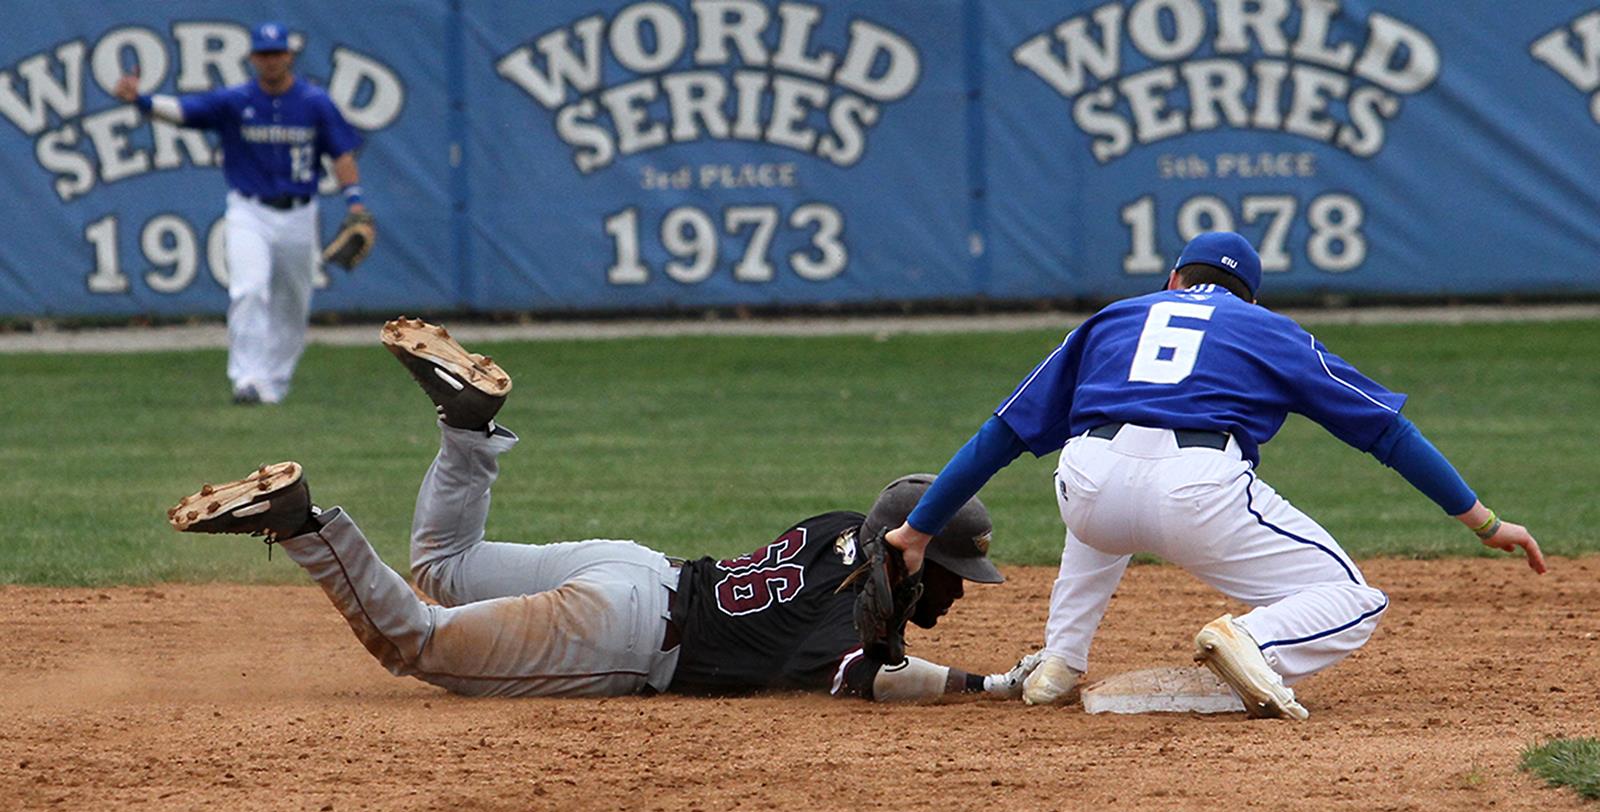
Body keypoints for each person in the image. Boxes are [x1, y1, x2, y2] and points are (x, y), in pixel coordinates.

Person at [167, 318, 1041, 702]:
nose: (957, 593)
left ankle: (466, 433)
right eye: (950, 574)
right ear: (903, 547)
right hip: (618, 633)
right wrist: (990, 684)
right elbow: (876, 676)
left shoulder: (826, 532)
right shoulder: (841, 612)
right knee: (416, 644)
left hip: (633, 567)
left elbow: (853, 613)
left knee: (441, 569)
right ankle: (300, 524)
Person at [885, 232, 1545, 719]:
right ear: (1249, 298)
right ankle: (1248, 636)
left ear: (1173, 280)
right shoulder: (1266, 329)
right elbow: (1386, 432)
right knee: (1353, 599)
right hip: (1197, 489)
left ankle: (1060, 663)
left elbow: (1000, 433)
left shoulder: (1112, 317)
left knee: (1100, 499)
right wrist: (1482, 521)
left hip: (1085, 480)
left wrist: (917, 530)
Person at [115, 21, 370, 405]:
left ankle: (275, 383)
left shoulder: (314, 102)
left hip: (300, 213)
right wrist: (142, 101)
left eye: (277, 52)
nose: (271, 60)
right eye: (264, 53)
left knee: (293, 304)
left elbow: (342, 154)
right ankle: (247, 379)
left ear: (290, 55)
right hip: (250, 211)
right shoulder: (236, 100)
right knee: (249, 289)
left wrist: (355, 203)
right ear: (252, 57)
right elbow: (184, 111)